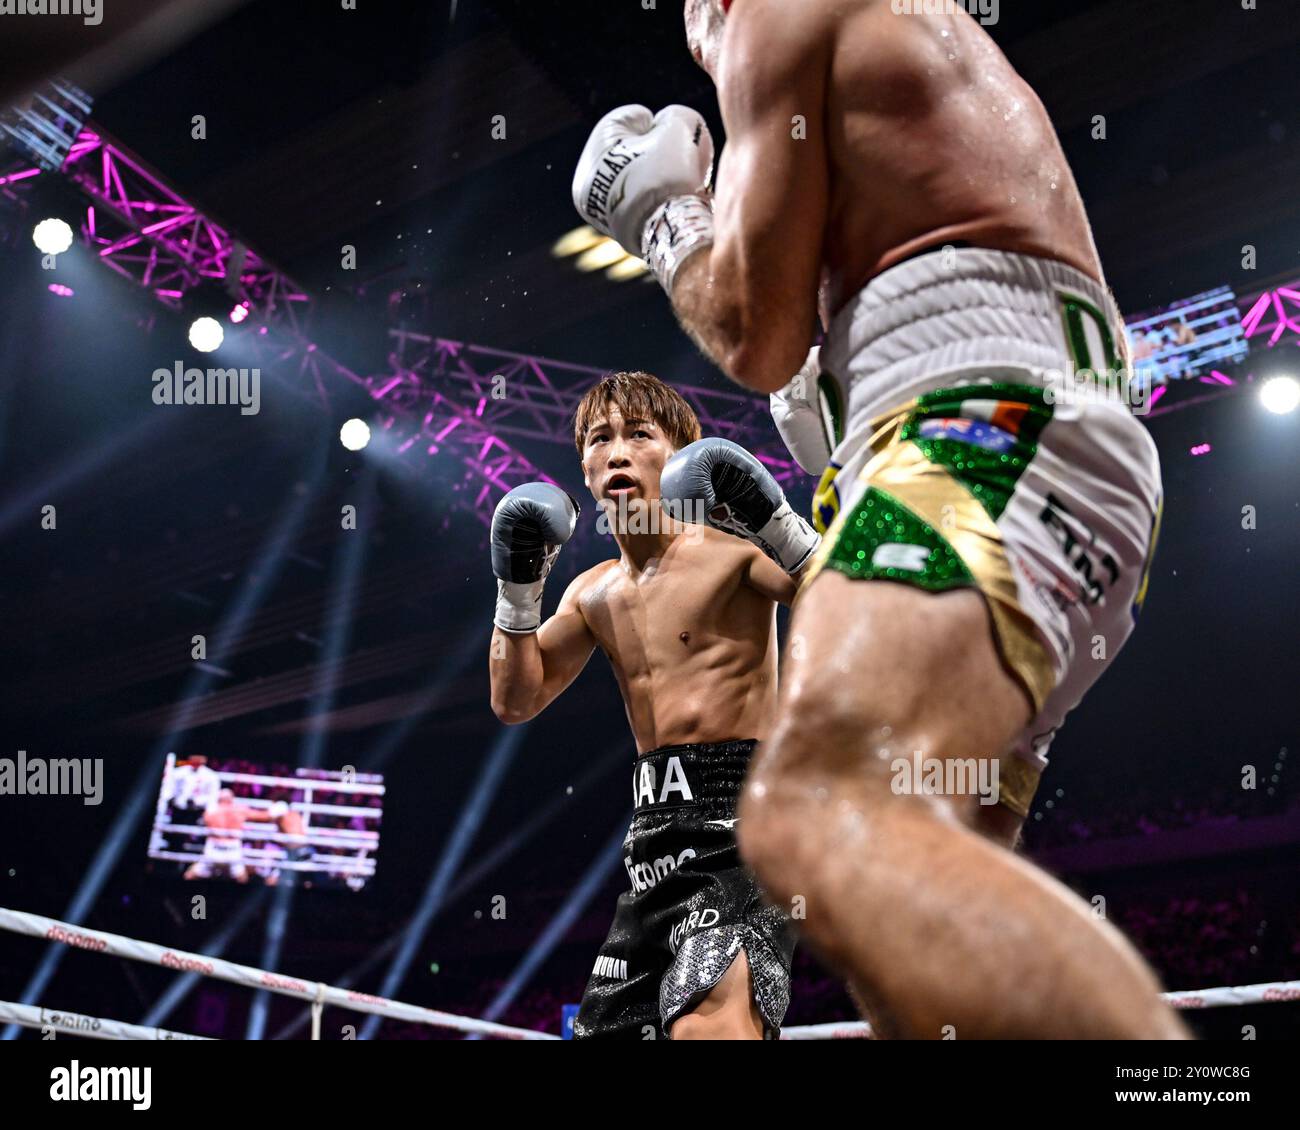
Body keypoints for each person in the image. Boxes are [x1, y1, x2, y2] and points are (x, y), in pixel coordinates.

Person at [570, 0, 1183, 1038]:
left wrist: (666, 220)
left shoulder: (773, 9)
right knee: (918, 972)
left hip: (983, 430)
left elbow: (753, 334)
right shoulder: (899, 41)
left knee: (815, 812)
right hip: (1024, 451)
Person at [488, 371, 819, 1039]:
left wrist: (779, 524)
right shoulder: (590, 592)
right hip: (654, 841)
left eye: (639, 434)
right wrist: (517, 588)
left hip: (749, 822)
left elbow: (853, 609)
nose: (615, 451)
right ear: (583, 468)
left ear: (679, 457)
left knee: (710, 1028)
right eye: (599, 438)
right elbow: (514, 700)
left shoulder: (736, 556)